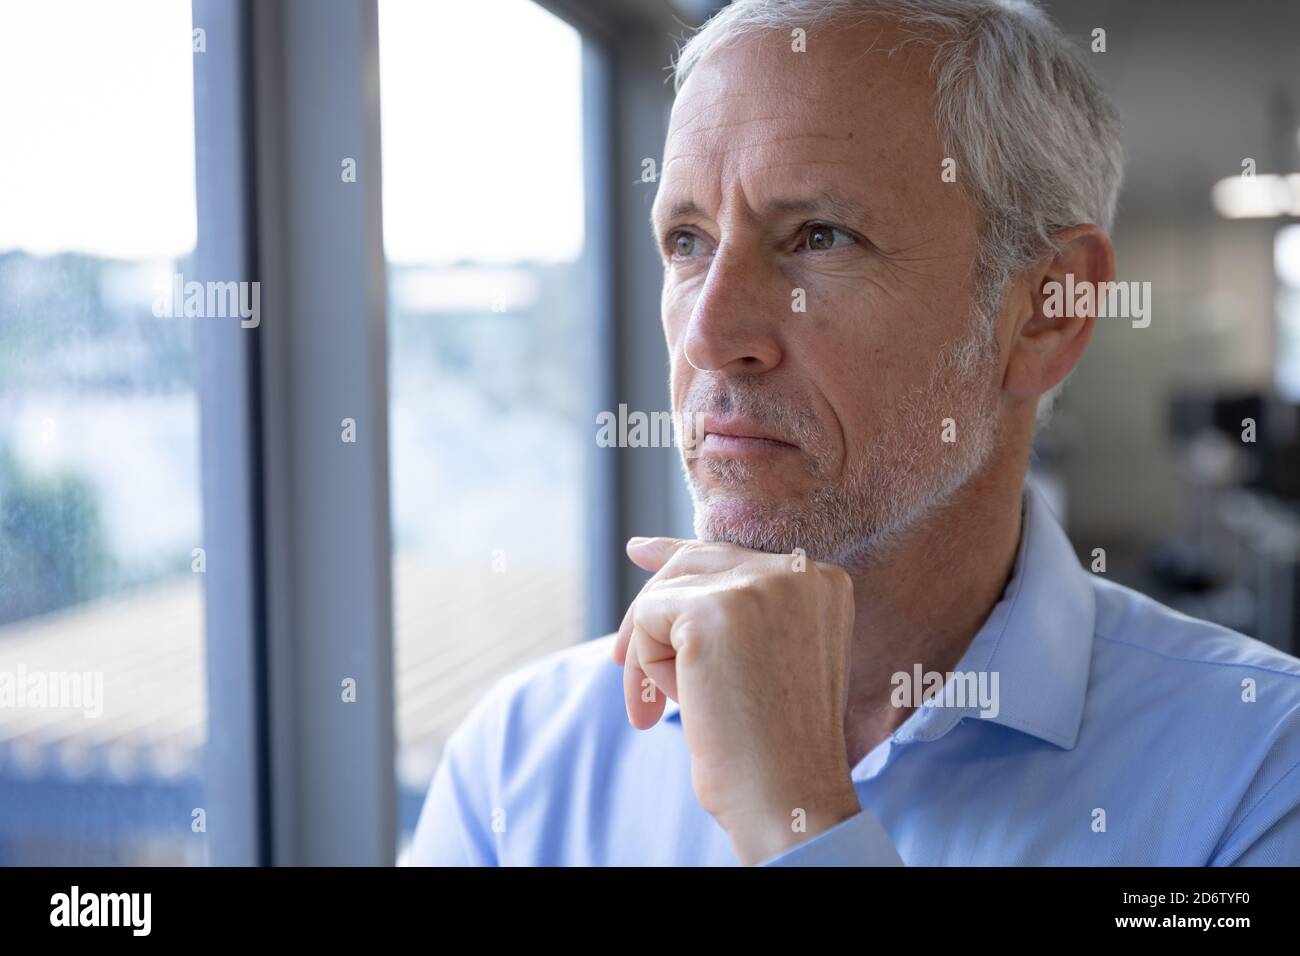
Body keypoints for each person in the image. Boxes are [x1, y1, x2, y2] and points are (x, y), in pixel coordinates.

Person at [409, 0, 1300, 866]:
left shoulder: (1260, 773)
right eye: (686, 241)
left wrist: (798, 825)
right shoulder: (520, 764)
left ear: (1045, 314)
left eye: (819, 236)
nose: (709, 337)